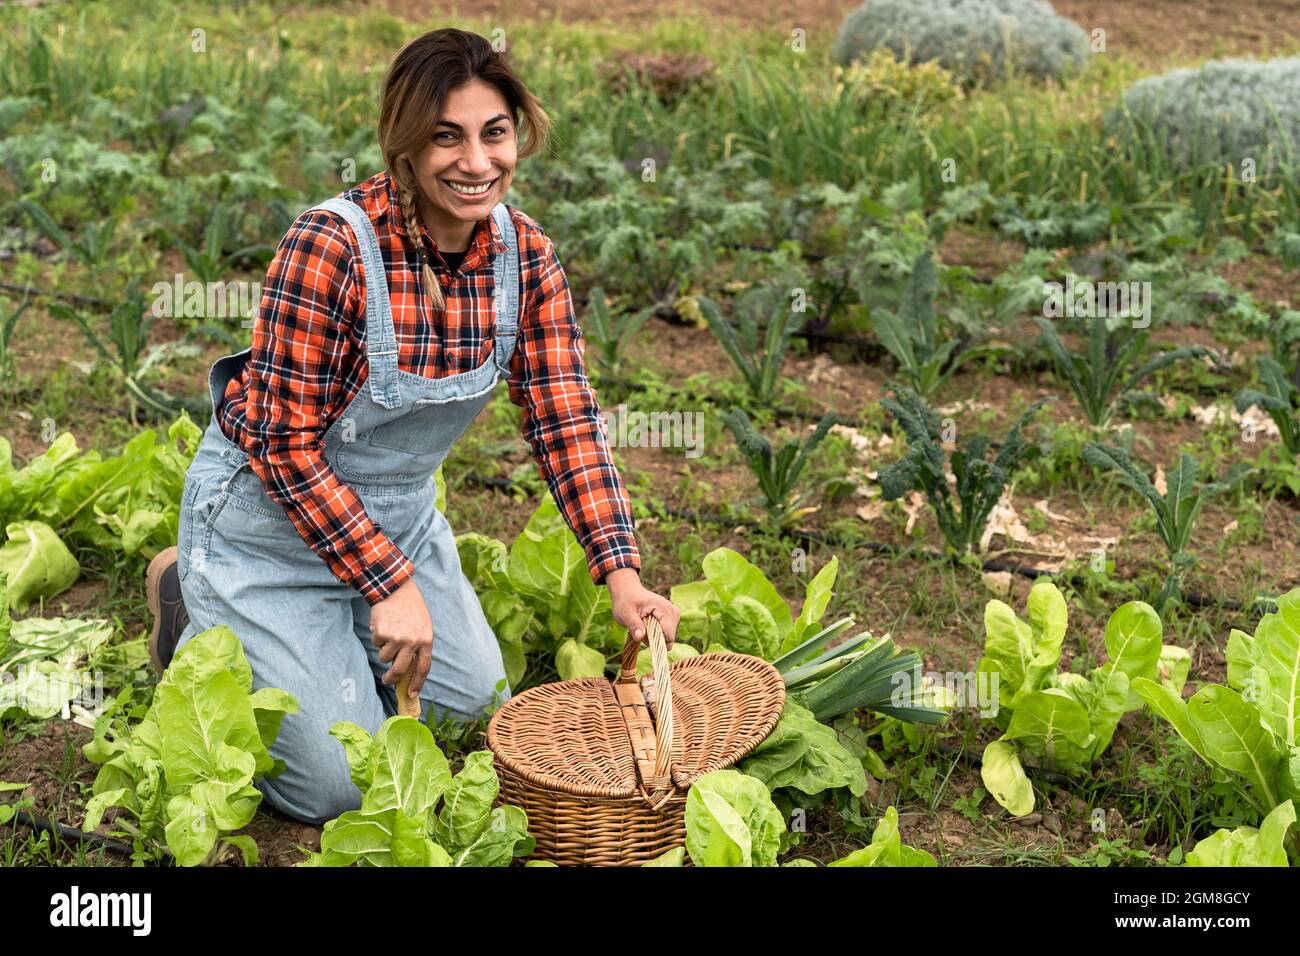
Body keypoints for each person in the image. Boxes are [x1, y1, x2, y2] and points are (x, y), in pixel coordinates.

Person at [144, 27, 680, 826]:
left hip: (396, 523)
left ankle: (327, 644)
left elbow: (566, 417)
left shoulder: (525, 257)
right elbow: (282, 446)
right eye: (446, 137)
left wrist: (620, 573)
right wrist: (388, 585)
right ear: (404, 143)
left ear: (517, 136)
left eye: (494, 134)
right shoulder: (332, 246)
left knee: (475, 707)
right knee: (341, 789)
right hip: (269, 527)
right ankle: (194, 604)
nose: (476, 162)